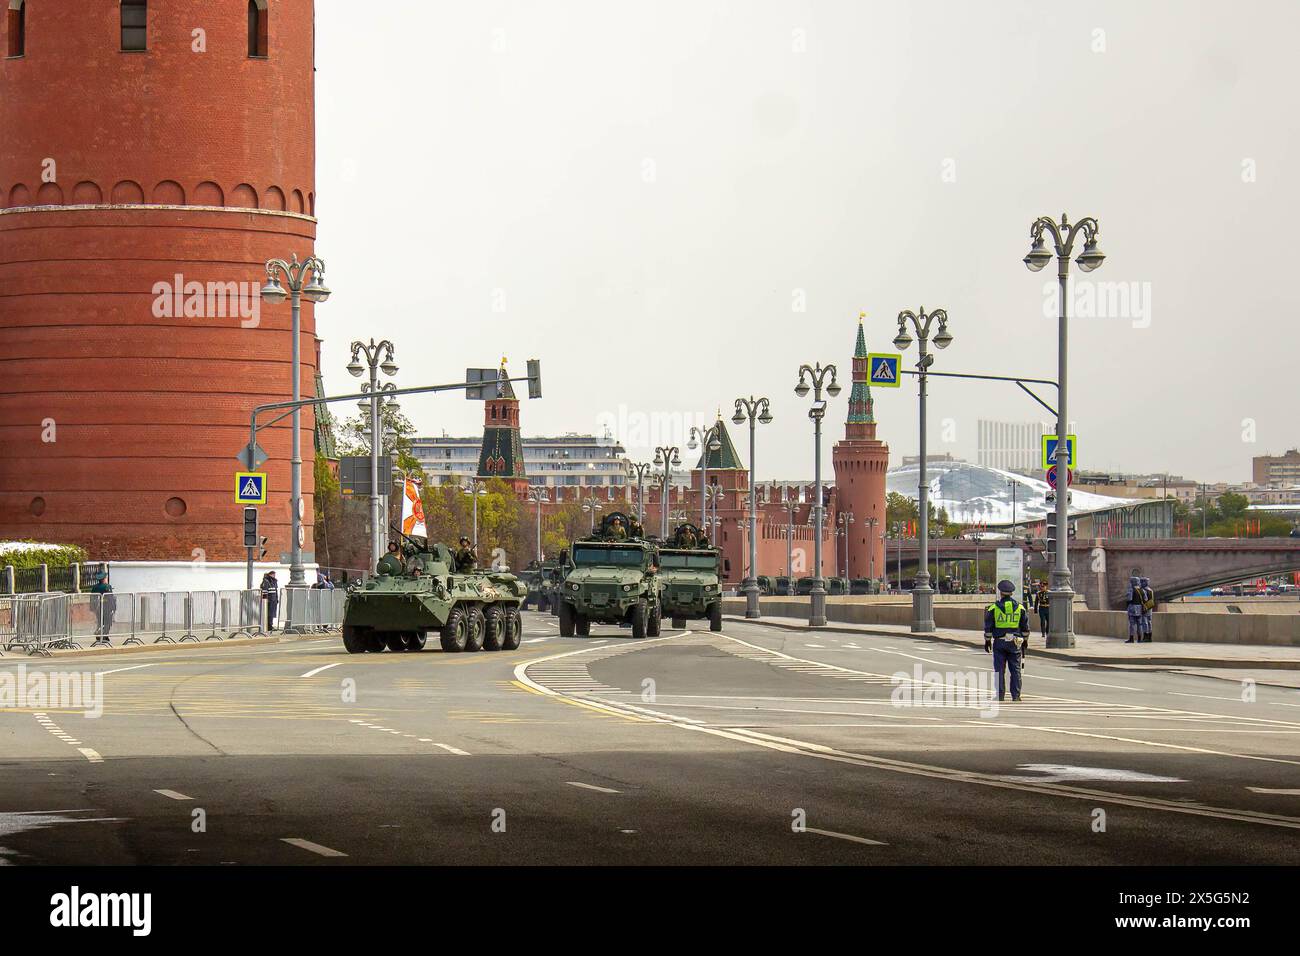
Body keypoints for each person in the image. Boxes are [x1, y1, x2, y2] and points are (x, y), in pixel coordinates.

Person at [984, 579, 1030, 702]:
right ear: (1011, 593)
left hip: (999, 642)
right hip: (1015, 642)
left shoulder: (993, 608)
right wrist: (1025, 640)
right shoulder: (1020, 608)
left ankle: (1000, 695)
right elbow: (1025, 626)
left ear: (1000, 593)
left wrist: (987, 640)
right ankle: (1016, 695)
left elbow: (988, 626)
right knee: (1015, 669)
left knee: (999, 670)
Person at [89, 573, 116, 642]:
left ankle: (99, 635)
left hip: (98, 607)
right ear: (104, 579)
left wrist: (92, 607)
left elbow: (92, 598)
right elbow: (110, 597)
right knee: (108, 622)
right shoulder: (107, 587)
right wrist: (113, 607)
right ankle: (104, 636)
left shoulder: (95, 587)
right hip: (107, 607)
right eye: (106, 578)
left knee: (100, 621)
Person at [1124, 575, 1145, 644]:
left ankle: (1131, 638)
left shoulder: (1131, 589)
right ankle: (1139, 639)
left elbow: (1129, 598)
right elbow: (1145, 599)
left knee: (1132, 624)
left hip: (1132, 608)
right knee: (1140, 624)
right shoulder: (1142, 590)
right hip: (1140, 609)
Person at [1140, 576, 1155, 643]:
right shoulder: (1150, 590)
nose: (1141, 583)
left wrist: (1144, 608)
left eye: (1142, 582)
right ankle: (1150, 637)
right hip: (1150, 608)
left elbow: (1143, 600)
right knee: (1149, 623)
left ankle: (1145, 637)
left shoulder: (1143, 590)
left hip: (1145, 608)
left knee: (1145, 623)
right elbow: (1152, 600)